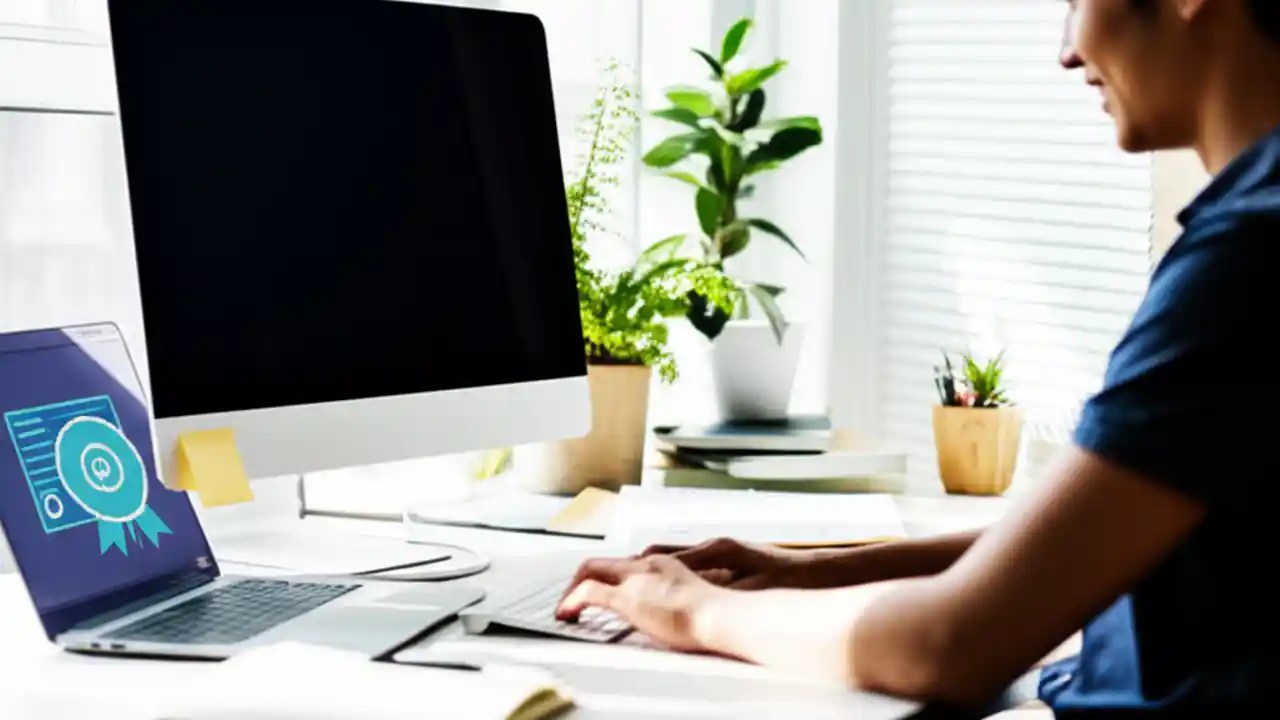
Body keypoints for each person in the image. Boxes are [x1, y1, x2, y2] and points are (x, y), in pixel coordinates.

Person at [557, 0, 1280, 714]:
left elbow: (952, 644)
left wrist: (693, 613)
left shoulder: (1246, 256)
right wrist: (807, 572)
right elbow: (1085, 542)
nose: (1067, 49)